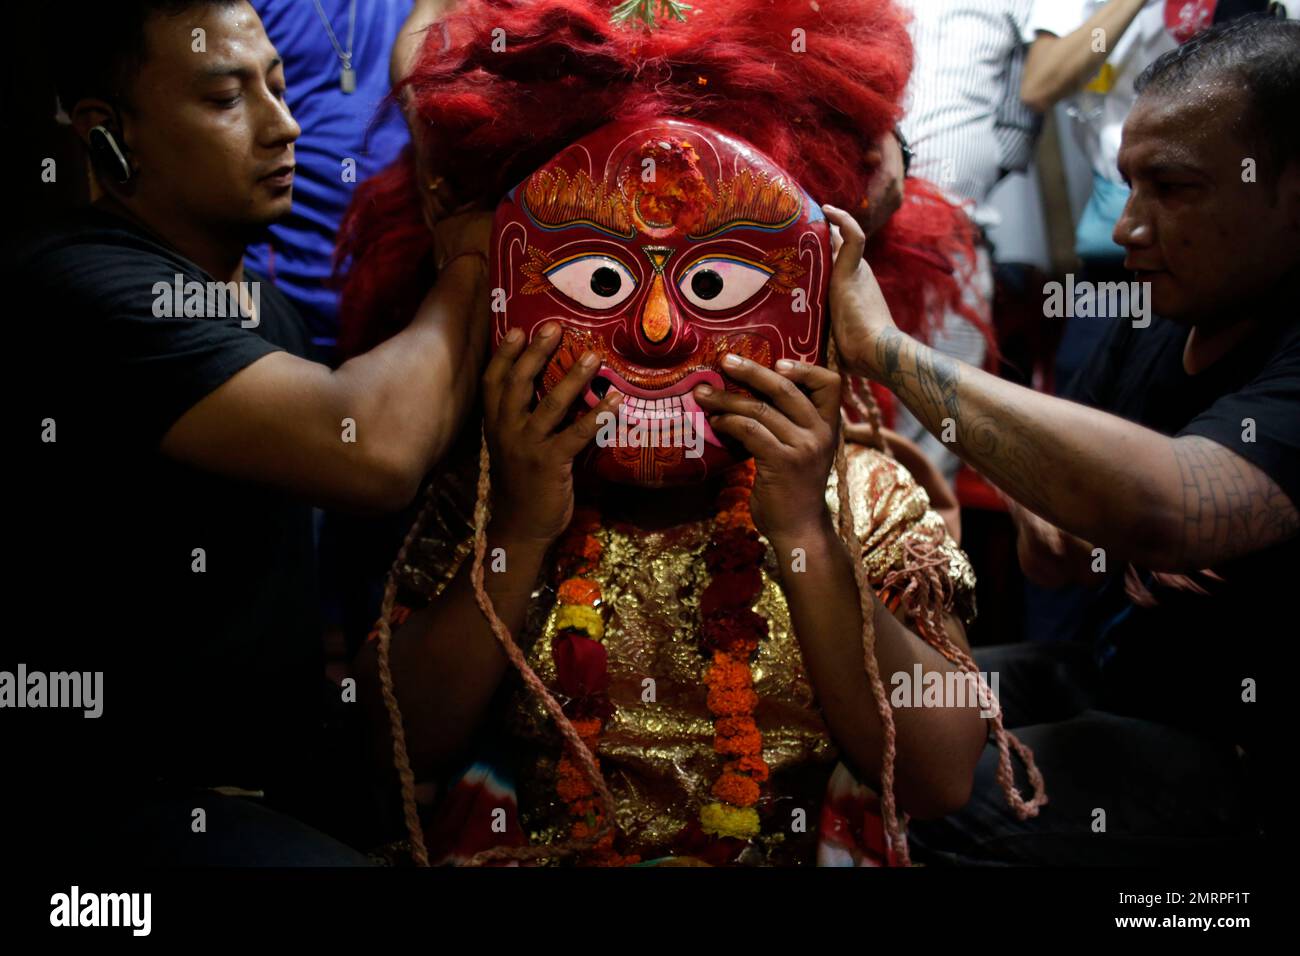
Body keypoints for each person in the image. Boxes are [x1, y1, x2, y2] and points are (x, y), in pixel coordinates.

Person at [340, 0, 1045, 867]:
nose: (662, 329)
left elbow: (937, 778)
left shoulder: (862, 495)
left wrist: (805, 536)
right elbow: (396, 748)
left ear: (818, 298)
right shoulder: (493, 485)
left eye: (721, 281)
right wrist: (520, 529)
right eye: (598, 278)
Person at [8, 0, 487, 864]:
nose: (286, 125)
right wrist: (471, 257)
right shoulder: (80, 285)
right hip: (117, 813)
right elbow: (372, 449)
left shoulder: (261, 314)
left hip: (265, 794)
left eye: (277, 85)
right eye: (228, 99)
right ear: (109, 136)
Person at [829, 14, 1298, 863]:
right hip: (1117, 682)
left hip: (1244, 762)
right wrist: (1048, 512)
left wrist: (891, 355)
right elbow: (1062, 531)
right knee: (847, 721)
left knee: (912, 796)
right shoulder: (1156, 312)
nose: (1128, 230)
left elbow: (1167, 505)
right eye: (1129, 187)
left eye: (1174, 188)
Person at [893, 0, 1040, 485]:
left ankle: (923, 555)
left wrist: (947, 201)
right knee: (846, 420)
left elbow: (1018, 123)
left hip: (955, 241)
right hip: (855, 237)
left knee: (938, 431)